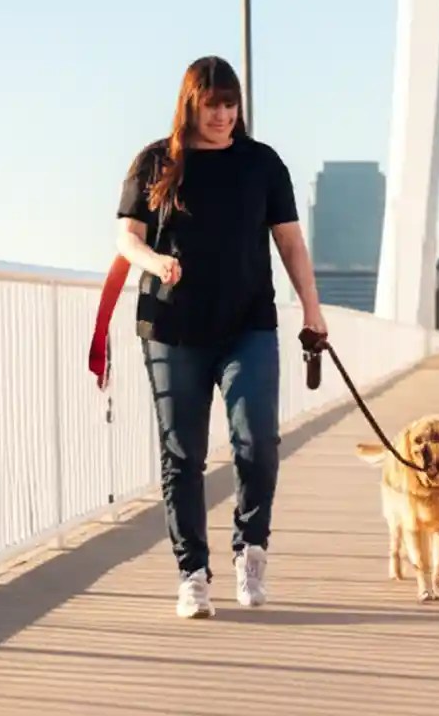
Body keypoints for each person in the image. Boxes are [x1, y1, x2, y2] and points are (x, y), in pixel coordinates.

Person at [103, 55, 325, 618]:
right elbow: (126, 239)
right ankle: (192, 574)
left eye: (231, 105)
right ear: (190, 104)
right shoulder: (156, 161)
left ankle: (251, 550)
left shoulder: (262, 164)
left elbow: (291, 244)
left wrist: (313, 311)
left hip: (248, 324)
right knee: (184, 455)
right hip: (172, 331)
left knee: (258, 445)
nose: (223, 115)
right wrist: (154, 260)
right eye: (212, 105)